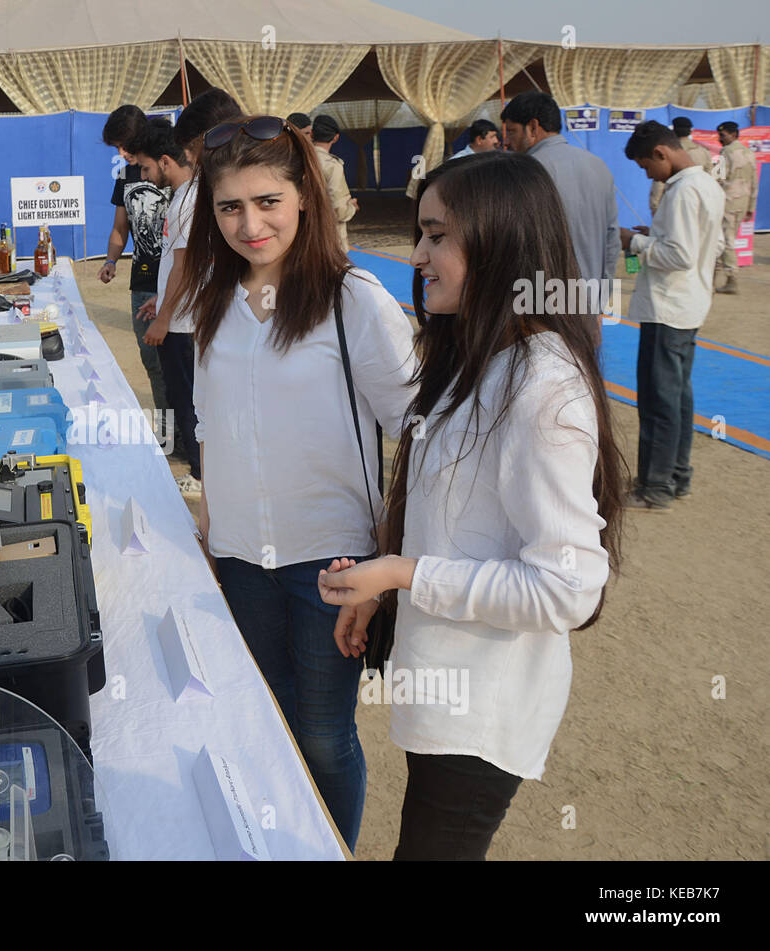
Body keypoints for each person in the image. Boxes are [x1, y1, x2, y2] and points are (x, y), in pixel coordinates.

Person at [316, 150, 625, 860]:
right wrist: (387, 589)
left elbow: (566, 587)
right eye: (421, 234)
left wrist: (401, 575)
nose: (418, 255)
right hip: (445, 682)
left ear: (500, 241)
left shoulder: (542, 387)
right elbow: (449, 514)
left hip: (483, 707)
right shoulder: (472, 357)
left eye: (436, 235)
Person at [170, 114, 418, 851]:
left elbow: (419, 433)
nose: (250, 223)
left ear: (304, 197)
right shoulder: (212, 305)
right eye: (230, 206)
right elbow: (209, 426)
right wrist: (213, 533)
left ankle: (331, 847)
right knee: (267, 721)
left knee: (322, 733)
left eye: (267, 201)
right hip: (244, 559)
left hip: (331, 563)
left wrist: (383, 568)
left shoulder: (355, 301)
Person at [620, 121, 725, 511]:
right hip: (689, 305)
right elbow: (712, 245)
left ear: (662, 153)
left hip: (668, 308)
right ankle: (676, 475)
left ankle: (655, 487)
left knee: (657, 401)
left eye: (647, 166)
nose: (648, 174)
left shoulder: (682, 192)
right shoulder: (708, 185)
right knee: (678, 398)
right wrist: (656, 236)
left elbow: (677, 256)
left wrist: (636, 242)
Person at [133, 118, 202, 497]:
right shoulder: (182, 198)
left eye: (145, 168)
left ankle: (200, 472)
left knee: (188, 399)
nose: (144, 176)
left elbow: (187, 264)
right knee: (185, 395)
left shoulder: (188, 199)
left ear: (164, 160)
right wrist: (161, 298)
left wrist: (163, 318)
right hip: (178, 315)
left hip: (184, 323)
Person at [501, 92, 619, 293]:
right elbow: (612, 239)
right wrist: (600, 301)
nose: (507, 142)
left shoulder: (525, 171)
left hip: (538, 301)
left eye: (512, 132)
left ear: (532, 127)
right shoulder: (598, 166)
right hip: (587, 301)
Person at [100, 105, 170, 427]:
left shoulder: (172, 170)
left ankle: (190, 430)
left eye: (124, 145)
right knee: (151, 360)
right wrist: (111, 260)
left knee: (184, 360)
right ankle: (170, 430)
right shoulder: (126, 177)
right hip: (143, 280)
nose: (122, 153)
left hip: (177, 279)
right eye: (117, 148)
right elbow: (120, 228)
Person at [715, 121, 759, 294]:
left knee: (726, 241)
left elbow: (717, 179)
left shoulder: (726, 152)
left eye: (723, 135)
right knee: (728, 239)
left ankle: (731, 279)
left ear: (733, 135)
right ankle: (720, 274)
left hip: (728, 202)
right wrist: (751, 206)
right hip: (742, 202)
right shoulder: (749, 152)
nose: (720, 139)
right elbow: (754, 182)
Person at [310, 114, 358, 251]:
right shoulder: (332, 166)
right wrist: (352, 207)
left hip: (303, 234)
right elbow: (340, 211)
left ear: (312, 134)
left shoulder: (297, 160)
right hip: (328, 238)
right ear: (336, 138)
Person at [648, 117, 713, 215]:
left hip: (673, 203)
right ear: (690, 132)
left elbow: (659, 182)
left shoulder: (668, 151)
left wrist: (655, 206)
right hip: (699, 203)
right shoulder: (704, 152)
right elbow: (709, 178)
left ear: (673, 131)